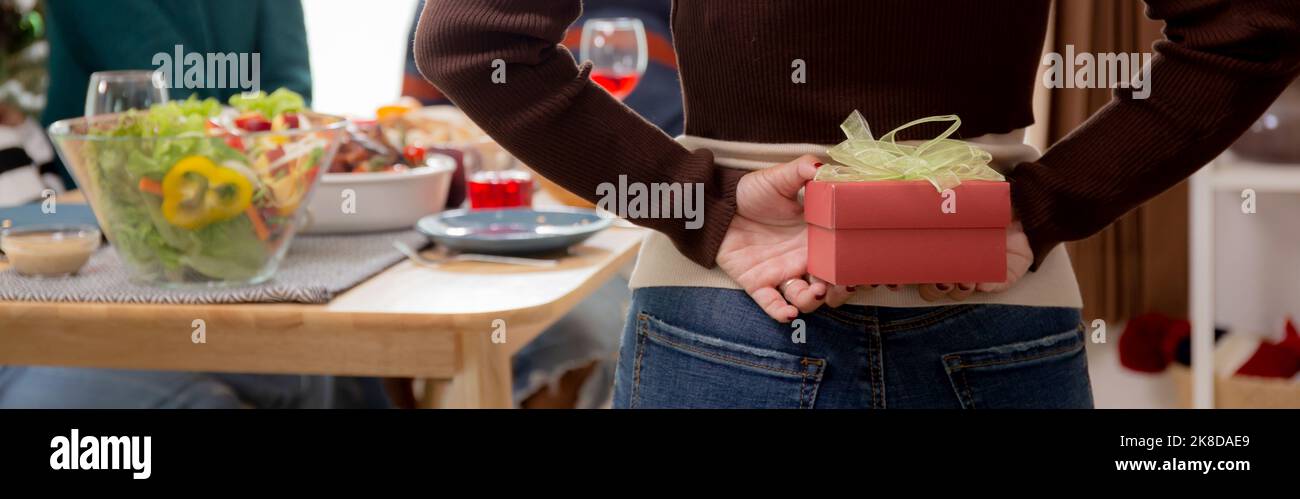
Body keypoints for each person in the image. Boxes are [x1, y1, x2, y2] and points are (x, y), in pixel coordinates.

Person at [416, 0, 1300, 408]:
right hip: (996, 307)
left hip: (725, 309)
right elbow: (1254, 19)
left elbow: (471, 37)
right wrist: (1040, 206)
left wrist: (707, 207)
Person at [0, 0, 389, 409]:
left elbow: (288, 89)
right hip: (131, 208)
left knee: (329, 363)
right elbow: (161, 84)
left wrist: (261, 138)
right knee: (306, 364)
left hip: (222, 220)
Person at [403, 0, 681, 408]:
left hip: (644, 216)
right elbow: (423, 124)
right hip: (511, 216)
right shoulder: (465, 25)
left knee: (580, 328)